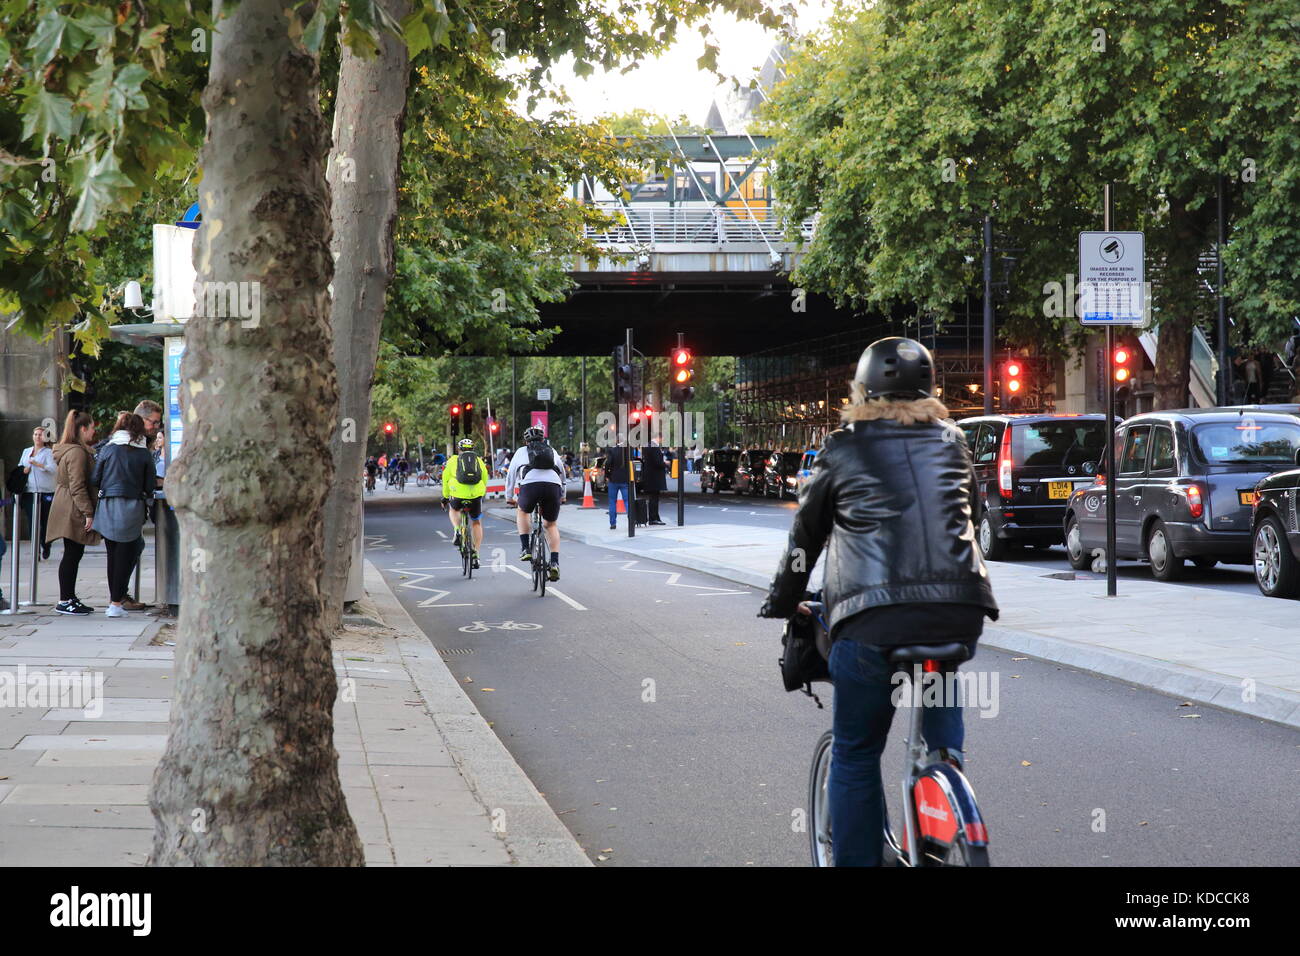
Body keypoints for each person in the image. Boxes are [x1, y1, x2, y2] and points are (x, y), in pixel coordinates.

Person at [758, 337, 999, 867]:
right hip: (957, 613)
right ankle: (944, 780)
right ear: (929, 389)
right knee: (939, 694)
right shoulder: (953, 440)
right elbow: (967, 511)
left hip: (872, 620)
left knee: (856, 753)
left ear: (863, 390)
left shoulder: (843, 446)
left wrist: (784, 602)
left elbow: (805, 538)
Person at [91, 412, 155, 618]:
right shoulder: (143, 453)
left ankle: (114, 602)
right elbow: (149, 485)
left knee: (112, 555)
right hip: (132, 506)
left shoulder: (108, 449)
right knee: (125, 555)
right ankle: (116, 603)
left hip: (108, 504)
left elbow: (95, 478)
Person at [46, 411, 101, 615]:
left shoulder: (71, 450)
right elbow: (77, 485)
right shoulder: (77, 452)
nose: (94, 431)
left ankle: (69, 597)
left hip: (67, 503)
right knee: (72, 553)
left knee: (74, 553)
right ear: (83, 429)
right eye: (92, 427)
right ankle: (65, 599)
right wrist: (88, 512)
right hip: (72, 507)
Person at [506, 426, 564, 581]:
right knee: (551, 525)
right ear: (543, 439)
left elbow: (511, 475)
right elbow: (562, 472)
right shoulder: (551, 450)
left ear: (526, 441)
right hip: (553, 486)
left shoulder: (520, 452)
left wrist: (509, 497)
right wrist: (563, 495)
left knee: (523, 511)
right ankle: (554, 563)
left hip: (530, 486)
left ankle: (526, 548)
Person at [441, 437, 487, 569]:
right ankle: (476, 554)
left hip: (457, 494)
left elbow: (445, 479)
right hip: (475, 495)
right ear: (472, 449)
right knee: (476, 522)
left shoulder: (452, 460)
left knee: (454, 510)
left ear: (458, 449)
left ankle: (457, 530)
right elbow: (484, 478)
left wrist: (445, 497)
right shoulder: (478, 460)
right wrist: (481, 493)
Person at [19, 424, 56, 559]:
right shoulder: (26, 451)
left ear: (45, 437)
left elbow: (53, 469)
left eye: (40, 435)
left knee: (45, 521)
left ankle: (46, 545)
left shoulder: (49, 452)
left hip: (46, 492)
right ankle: (35, 550)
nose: (37, 437)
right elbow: (20, 467)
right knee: (32, 521)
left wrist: (38, 465)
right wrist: (24, 470)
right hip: (30, 491)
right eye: (35, 434)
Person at [602, 438, 631, 530]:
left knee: (612, 501)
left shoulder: (612, 450)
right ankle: (631, 521)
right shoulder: (627, 451)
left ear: (616, 441)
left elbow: (608, 463)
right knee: (627, 501)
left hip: (613, 479)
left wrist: (607, 475)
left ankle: (613, 523)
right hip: (625, 479)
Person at [642, 440, 669, 525]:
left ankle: (655, 517)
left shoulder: (649, 446)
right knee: (654, 498)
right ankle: (653, 518)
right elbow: (657, 462)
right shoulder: (654, 447)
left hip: (651, 476)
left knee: (653, 498)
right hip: (654, 477)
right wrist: (665, 463)